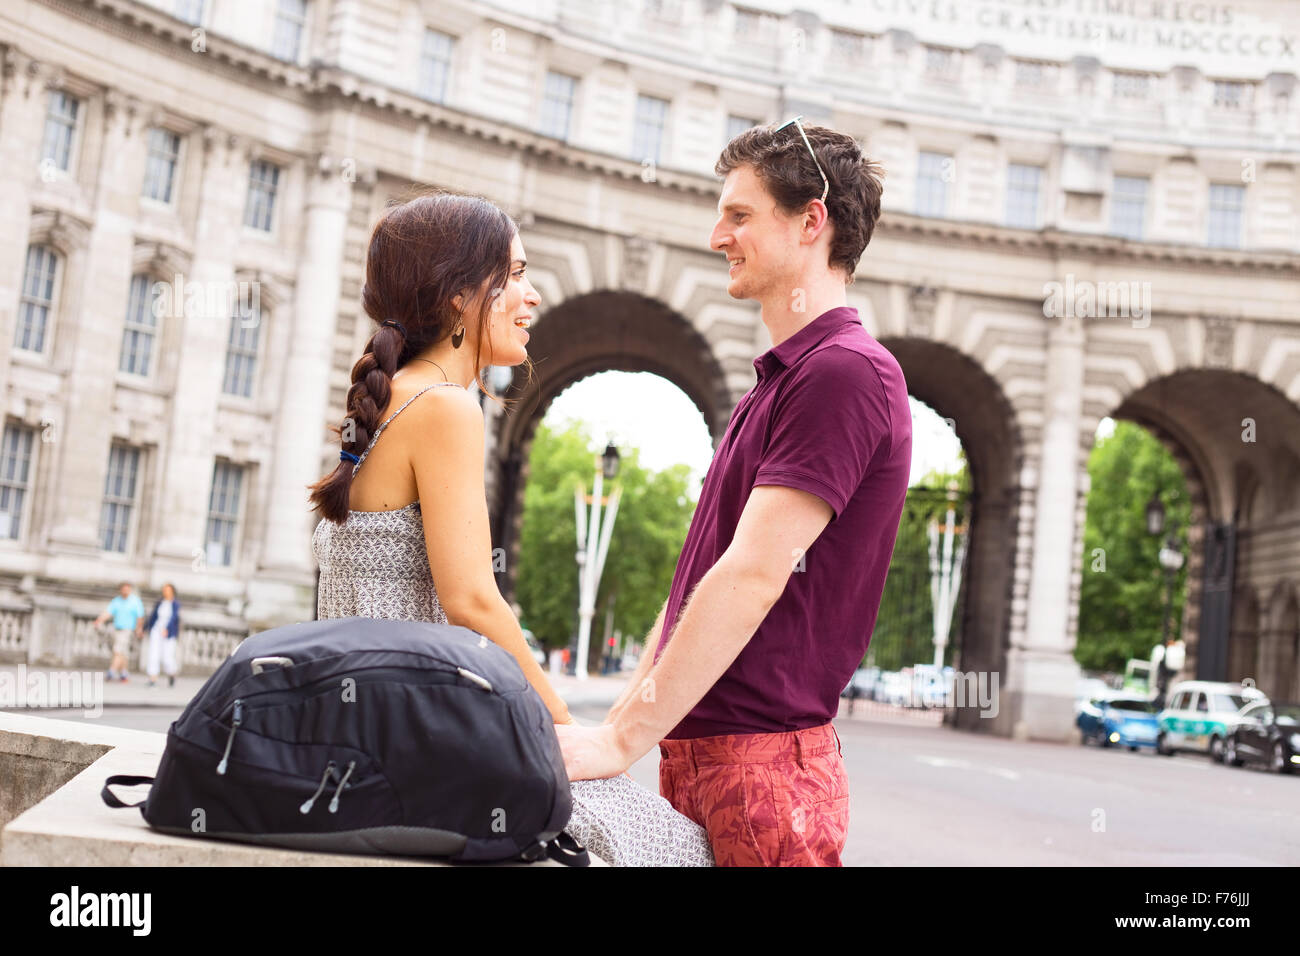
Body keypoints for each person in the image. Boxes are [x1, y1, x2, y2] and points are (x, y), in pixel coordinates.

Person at [306, 191, 713, 867]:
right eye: (515, 275)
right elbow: (470, 598)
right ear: (462, 294)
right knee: (671, 844)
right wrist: (565, 722)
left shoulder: (397, 396)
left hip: (367, 726)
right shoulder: (444, 407)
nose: (530, 296)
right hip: (413, 738)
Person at [557, 119, 911, 867]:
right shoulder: (785, 379)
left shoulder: (845, 373)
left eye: (740, 215)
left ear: (812, 220)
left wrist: (619, 738)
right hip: (713, 755)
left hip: (762, 770)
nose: (718, 234)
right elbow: (701, 578)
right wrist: (622, 725)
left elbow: (753, 574)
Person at [94, 581, 145, 682]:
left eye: (127, 589)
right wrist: (99, 620)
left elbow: (140, 617)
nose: (125, 591)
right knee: (123, 653)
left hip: (127, 630)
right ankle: (124, 673)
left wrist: (139, 629)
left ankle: (111, 672)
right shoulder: (117, 601)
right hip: (116, 629)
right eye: (123, 589)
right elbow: (108, 612)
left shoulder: (135, 601)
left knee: (118, 650)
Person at [142, 583, 182, 687]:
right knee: (153, 653)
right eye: (164, 590)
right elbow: (153, 617)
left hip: (169, 633)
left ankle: (172, 673)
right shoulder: (160, 602)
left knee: (167, 656)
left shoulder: (175, 604)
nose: (165, 592)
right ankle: (153, 678)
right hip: (156, 630)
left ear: (172, 591)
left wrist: (167, 628)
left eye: (168, 590)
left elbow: (174, 617)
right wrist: (145, 628)